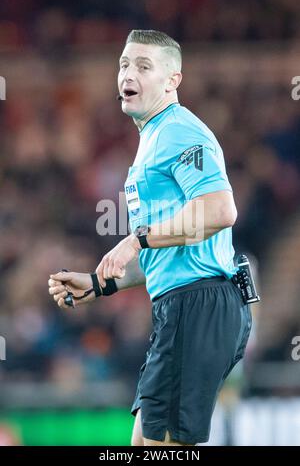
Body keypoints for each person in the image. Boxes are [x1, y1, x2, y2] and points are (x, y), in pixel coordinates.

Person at [48, 29, 252, 446]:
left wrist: (133, 240)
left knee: (161, 449)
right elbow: (172, 248)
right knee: (146, 445)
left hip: (198, 304)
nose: (129, 73)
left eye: (144, 66)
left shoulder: (179, 131)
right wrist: (101, 283)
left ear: (172, 80)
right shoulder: (154, 139)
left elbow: (219, 210)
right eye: (124, 64)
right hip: (185, 305)